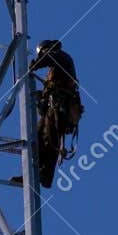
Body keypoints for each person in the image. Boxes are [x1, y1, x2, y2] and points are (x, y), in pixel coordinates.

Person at [32, 39, 83, 188]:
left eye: (43, 52)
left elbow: (49, 58)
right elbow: (44, 101)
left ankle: (46, 176)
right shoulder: (53, 72)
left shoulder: (62, 57)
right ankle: (33, 172)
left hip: (61, 109)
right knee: (36, 138)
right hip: (53, 109)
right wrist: (39, 97)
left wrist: (34, 65)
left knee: (50, 139)